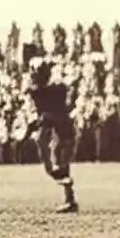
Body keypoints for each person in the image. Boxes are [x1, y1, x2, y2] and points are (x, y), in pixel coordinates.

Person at [27, 58, 79, 213]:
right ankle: (69, 198)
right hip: (61, 127)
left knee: (58, 163)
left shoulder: (43, 91)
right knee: (59, 162)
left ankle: (69, 197)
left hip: (60, 128)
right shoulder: (57, 89)